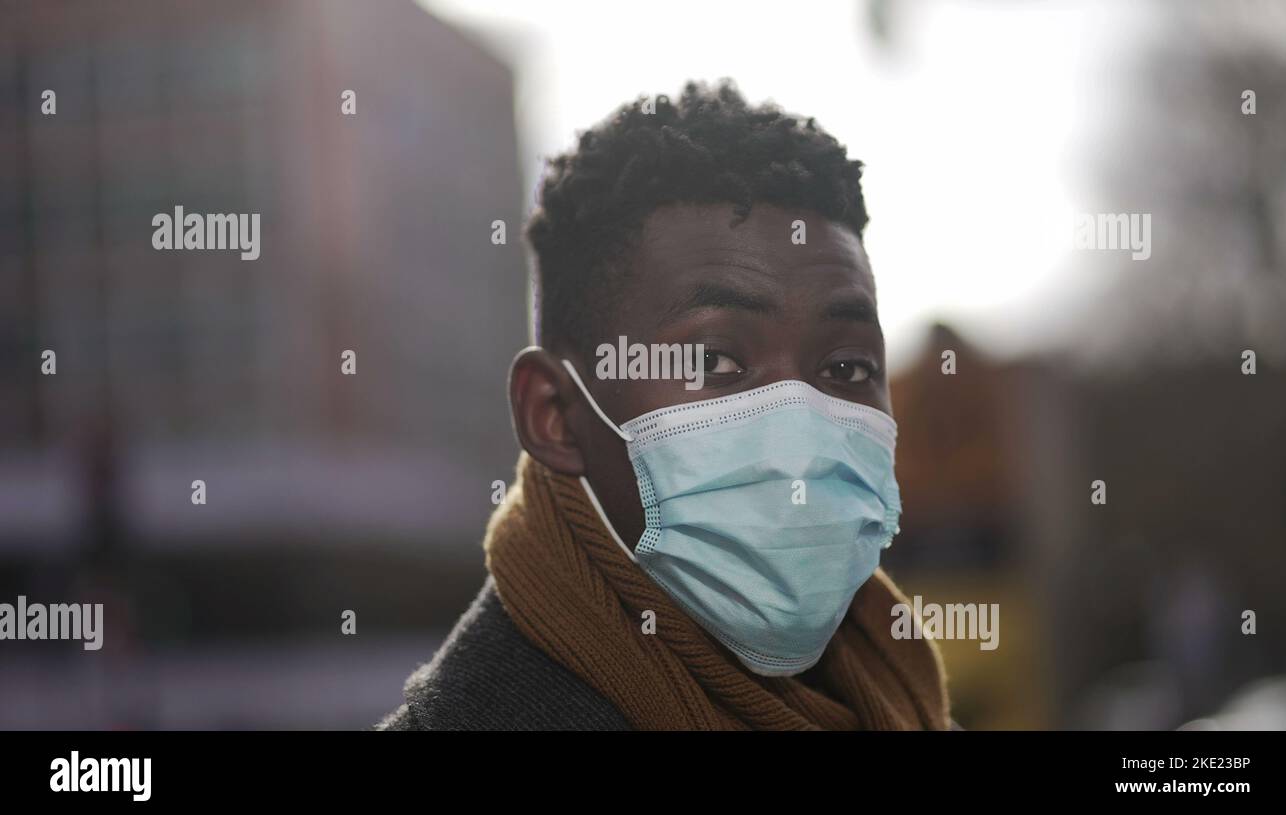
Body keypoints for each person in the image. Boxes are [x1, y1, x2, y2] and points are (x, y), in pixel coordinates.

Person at [378, 80, 952, 730]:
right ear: (554, 413)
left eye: (846, 367)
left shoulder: (905, 698)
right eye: (715, 361)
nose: (801, 433)